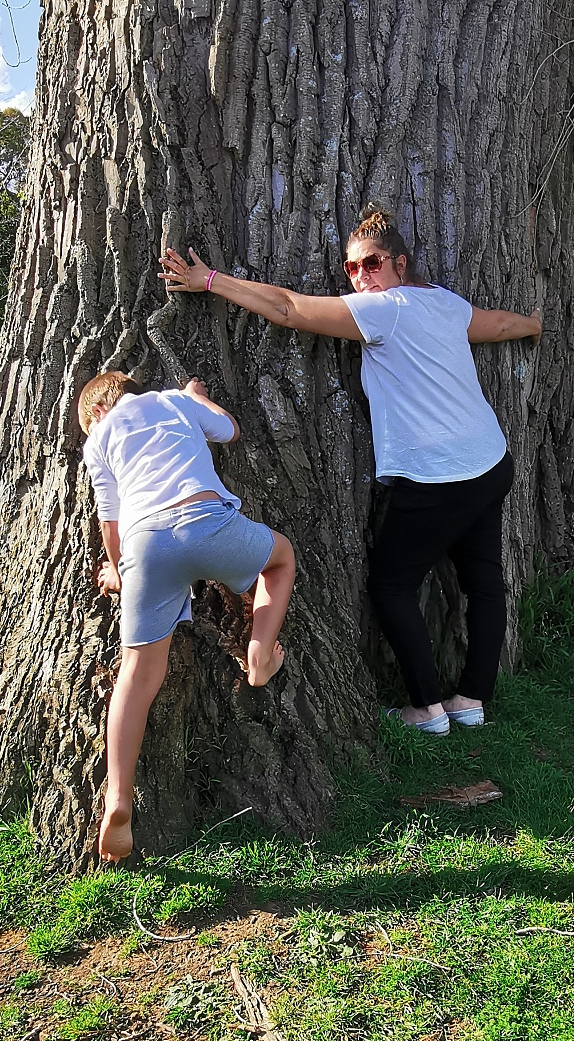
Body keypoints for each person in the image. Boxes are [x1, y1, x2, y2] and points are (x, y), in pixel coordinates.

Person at [159, 207, 540, 735]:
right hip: (490, 464)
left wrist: (211, 280)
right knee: (484, 581)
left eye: (373, 263)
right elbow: (498, 324)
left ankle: (429, 710)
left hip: (434, 478)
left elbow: (288, 308)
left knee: (392, 587)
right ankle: (471, 701)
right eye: (352, 269)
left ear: (399, 264)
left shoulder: (385, 310)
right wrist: (535, 326)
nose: (361, 277)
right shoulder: (444, 304)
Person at [79, 370, 295, 863]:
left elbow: (108, 521)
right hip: (208, 521)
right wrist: (200, 397)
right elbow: (229, 430)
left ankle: (118, 799)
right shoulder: (173, 400)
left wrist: (115, 571)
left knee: (135, 676)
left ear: (96, 414)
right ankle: (260, 656)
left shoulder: (99, 444)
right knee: (281, 560)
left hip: (146, 545)